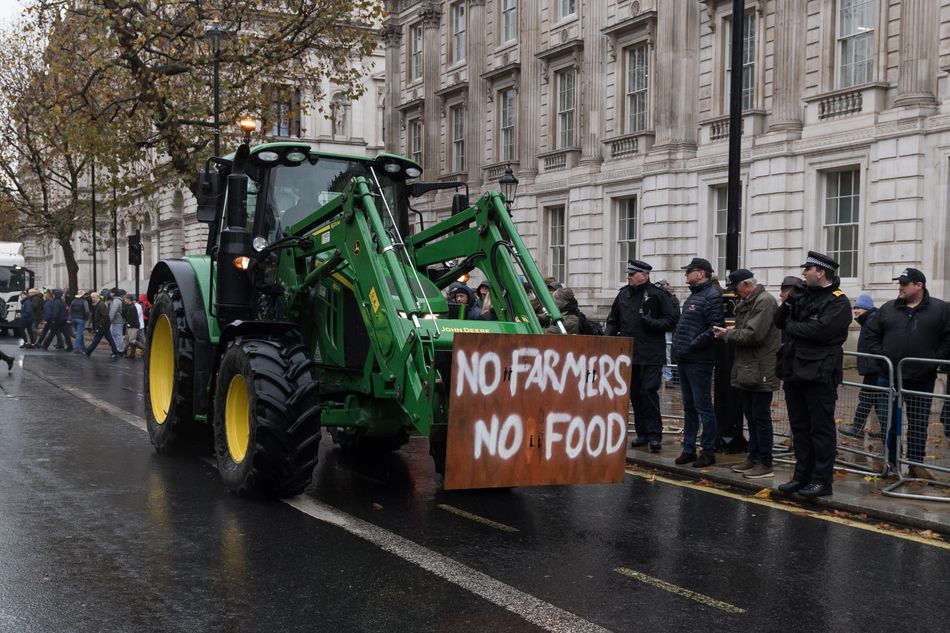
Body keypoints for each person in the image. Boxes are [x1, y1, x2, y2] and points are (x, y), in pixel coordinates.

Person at [774, 251, 852, 498]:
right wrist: (788, 303)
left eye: (807, 269)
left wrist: (793, 326)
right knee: (799, 427)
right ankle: (801, 476)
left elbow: (820, 331)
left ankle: (821, 480)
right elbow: (779, 321)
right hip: (795, 369)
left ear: (820, 272)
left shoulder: (838, 301)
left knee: (820, 429)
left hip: (819, 372)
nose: (804, 273)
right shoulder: (803, 295)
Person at [864, 268, 950, 480]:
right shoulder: (888, 308)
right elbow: (871, 334)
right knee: (889, 421)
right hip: (889, 376)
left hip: (921, 377)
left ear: (919, 285)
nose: (900, 287)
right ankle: (890, 460)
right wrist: (881, 357)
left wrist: (935, 360)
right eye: (899, 283)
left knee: (919, 422)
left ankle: (915, 464)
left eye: (905, 283)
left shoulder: (941, 309)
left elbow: (949, 337)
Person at [714, 269, 780, 479]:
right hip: (748, 367)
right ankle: (753, 457)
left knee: (761, 417)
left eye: (737, 289)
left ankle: (765, 462)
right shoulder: (750, 301)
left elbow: (754, 335)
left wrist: (728, 334)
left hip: (761, 368)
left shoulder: (764, 302)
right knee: (751, 416)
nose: (735, 294)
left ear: (746, 284)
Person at [605, 259, 677, 453]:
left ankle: (655, 435)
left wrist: (652, 323)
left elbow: (671, 321)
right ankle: (642, 433)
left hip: (651, 353)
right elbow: (613, 321)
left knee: (648, 393)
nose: (628, 277)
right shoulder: (623, 295)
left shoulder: (658, 295)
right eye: (628, 274)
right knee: (635, 395)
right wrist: (605, 341)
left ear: (644, 275)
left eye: (632, 274)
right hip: (629, 354)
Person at [671, 257, 724, 467]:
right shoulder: (694, 296)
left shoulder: (711, 296)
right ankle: (689, 448)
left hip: (699, 360)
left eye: (689, 271)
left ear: (701, 273)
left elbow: (715, 327)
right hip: (685, 358)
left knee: (703, 407)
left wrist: (692, 345)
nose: (686, 275)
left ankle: (708, 450)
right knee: (689, 407)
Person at [840, 293, 887, 440]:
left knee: (866, 398)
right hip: (874, 367)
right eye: (854, 307)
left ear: (867, 308)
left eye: (859, 307)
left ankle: (857, 428)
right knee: (877, 400)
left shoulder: (871, 320)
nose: (855, 310)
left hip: (874, 368)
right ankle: (886, 431)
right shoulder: (869, 319)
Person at [83, 292, 121, 359]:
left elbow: (106, 317)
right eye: (91, 297)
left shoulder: (101, 305)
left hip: (103, 325)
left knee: (96, 339)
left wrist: (100, 324)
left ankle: (88, 351)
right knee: (109, 339)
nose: (92, 299)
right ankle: (116, 352)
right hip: (104, 325)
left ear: (98, 297)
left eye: (93, 297)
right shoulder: (98, 304)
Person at [656, 279, 680, 382]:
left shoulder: (672, 299)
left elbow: (674, 316)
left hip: (668, 330)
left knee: (667, 353)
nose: (662, 287)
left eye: (663, 285)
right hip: (659, 328)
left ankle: (667, 376)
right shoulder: (657, 298)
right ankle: (663, 376)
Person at [109, 289, 126, 355]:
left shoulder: (116, 301)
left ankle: (119, 350)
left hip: (116, 321)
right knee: (116, 335)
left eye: (111, 293)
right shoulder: (120, 300)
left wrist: (109, 320)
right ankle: (117, 349)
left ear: (113, 294)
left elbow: (113, 311)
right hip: (119, 321)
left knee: (117, 336)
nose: (110, 294)